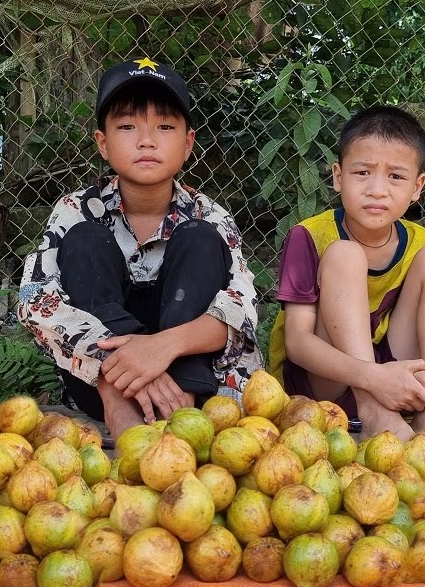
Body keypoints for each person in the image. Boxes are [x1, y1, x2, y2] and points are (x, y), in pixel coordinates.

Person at [17, 57, 261, 437]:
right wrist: (125, 365)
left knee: (200, 239)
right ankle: (120, 408)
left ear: (187, 144)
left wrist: (160, 350)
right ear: (103, 143)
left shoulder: (210, 214)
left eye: (164, 127)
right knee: (84, 240)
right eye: (127, 126)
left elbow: (240, 308)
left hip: (188, 368)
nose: (146, 140)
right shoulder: (75, 210)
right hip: (101, 379)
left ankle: (182, 405)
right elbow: (36, 302)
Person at [267, 105, 425, 440]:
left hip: (402, 385)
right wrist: (371, 379)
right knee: (345, 255)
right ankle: (373, 410)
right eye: (362, 172)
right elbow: (298, 342)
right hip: (327, 388)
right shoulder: (309, 236)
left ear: (417, 186)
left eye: (395, 176)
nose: (377, 189)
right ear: (338, 176)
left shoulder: (423, 241)